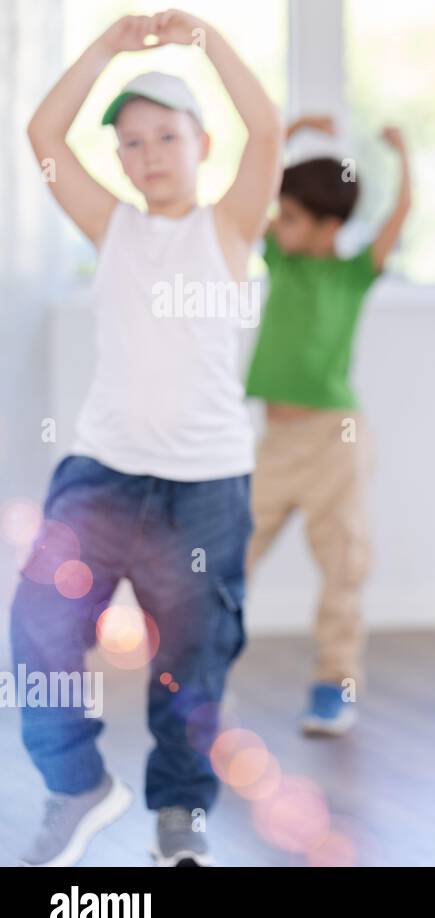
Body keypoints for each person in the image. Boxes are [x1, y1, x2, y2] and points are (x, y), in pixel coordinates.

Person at [16, 9, 282, 866]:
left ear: (202, 143)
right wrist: (107, 48)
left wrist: (203, 40)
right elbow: (42, 131)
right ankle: (75, 785)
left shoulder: (230, 228)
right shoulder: (111, 225)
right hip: (102, 473)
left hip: (204, 484)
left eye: (166, 135)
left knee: (191, 662)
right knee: (40, 625)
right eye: (130, 143)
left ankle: (180, 814)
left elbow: (268, 124)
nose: (149, 155)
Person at [243, 115, 412, 737]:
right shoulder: (279, 260)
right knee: (231, 552)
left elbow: (400, 214)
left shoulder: (353, 272)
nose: (278, 225)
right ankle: (201, 680)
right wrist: (288, 134)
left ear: (328, 227)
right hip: (277, 440)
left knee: (343, 566)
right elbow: (251, 190)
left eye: (291, 217)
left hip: (335, 441)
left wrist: (400, 155)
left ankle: (332, 686)